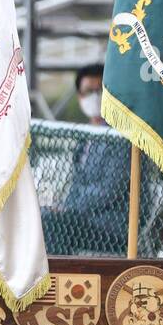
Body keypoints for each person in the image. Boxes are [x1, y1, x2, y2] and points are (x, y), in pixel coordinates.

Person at [44, 64, 132, 253]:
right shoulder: (85, 135)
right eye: (88, 91)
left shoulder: (121, 135)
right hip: (82, 222)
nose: (95, 96)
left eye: (99, 90)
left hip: (112, 228)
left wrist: (70, 210)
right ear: (80, 97)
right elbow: (77, 182)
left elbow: (110, 189)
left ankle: (58, 276)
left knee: (50, 222)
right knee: (43, 216)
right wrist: (64, 209)